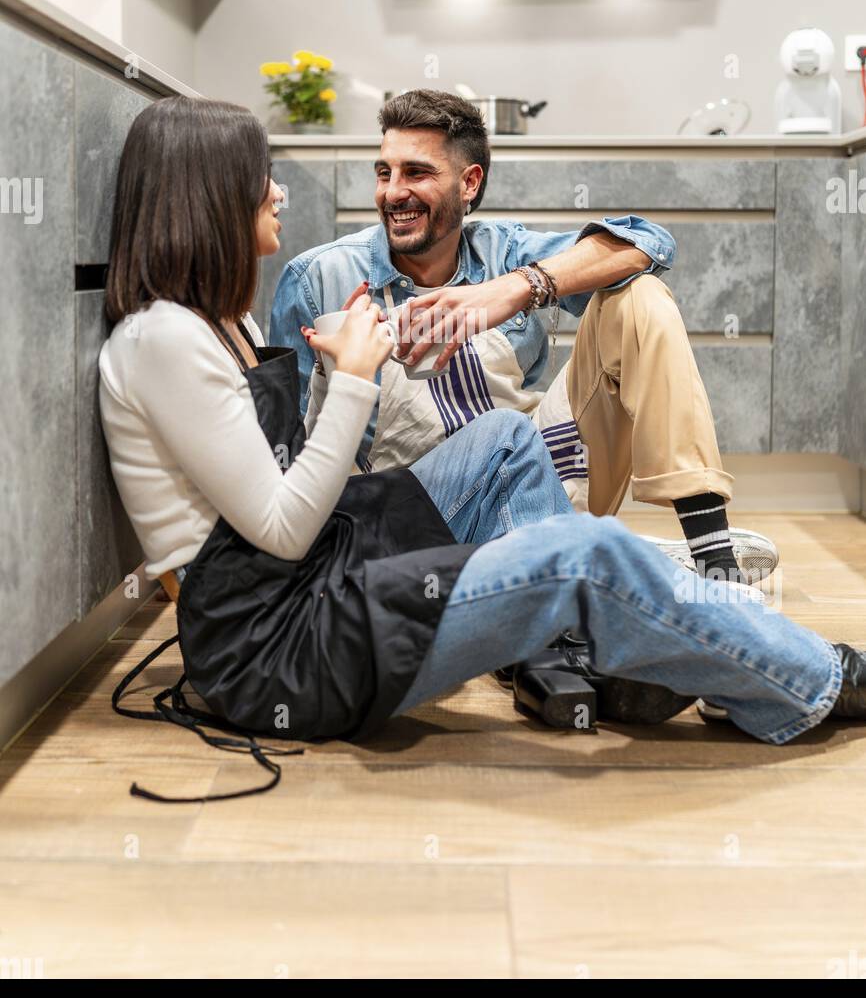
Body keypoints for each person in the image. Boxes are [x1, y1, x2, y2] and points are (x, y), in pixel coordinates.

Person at [99, 96, 866, 804]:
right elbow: (284, 525)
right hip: (281, 648)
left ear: (468, 184)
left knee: (500, 439)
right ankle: (815, 679)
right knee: (588, 555)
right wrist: (358, 377)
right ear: (208, 194)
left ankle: (584, 644)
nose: (279, 191)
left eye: (414, 170)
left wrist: (352, 368)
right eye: (259, 176)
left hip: (307, 577)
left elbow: (282, 498)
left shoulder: (205, 323)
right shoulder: (167, 337)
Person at [271, 89, 777, 589]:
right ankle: (605, 564)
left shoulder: (505, 252)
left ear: (470, 183)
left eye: (417, 172)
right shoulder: (320, 278)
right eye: (385, 172)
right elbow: (287, 451)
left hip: (541, 485)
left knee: (637, 296)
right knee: (509, 453)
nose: (392, 192)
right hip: (411, 520)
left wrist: (517, 288)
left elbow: (647, 243)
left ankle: (710, 551)